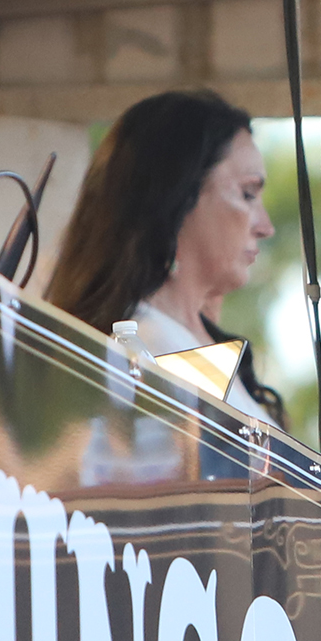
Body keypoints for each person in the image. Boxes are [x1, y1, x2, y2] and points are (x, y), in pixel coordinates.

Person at [45, 88, 286, 430]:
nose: (265, 226)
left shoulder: (184, 343)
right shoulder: (141, 348)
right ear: (177, 199)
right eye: (247, 194)